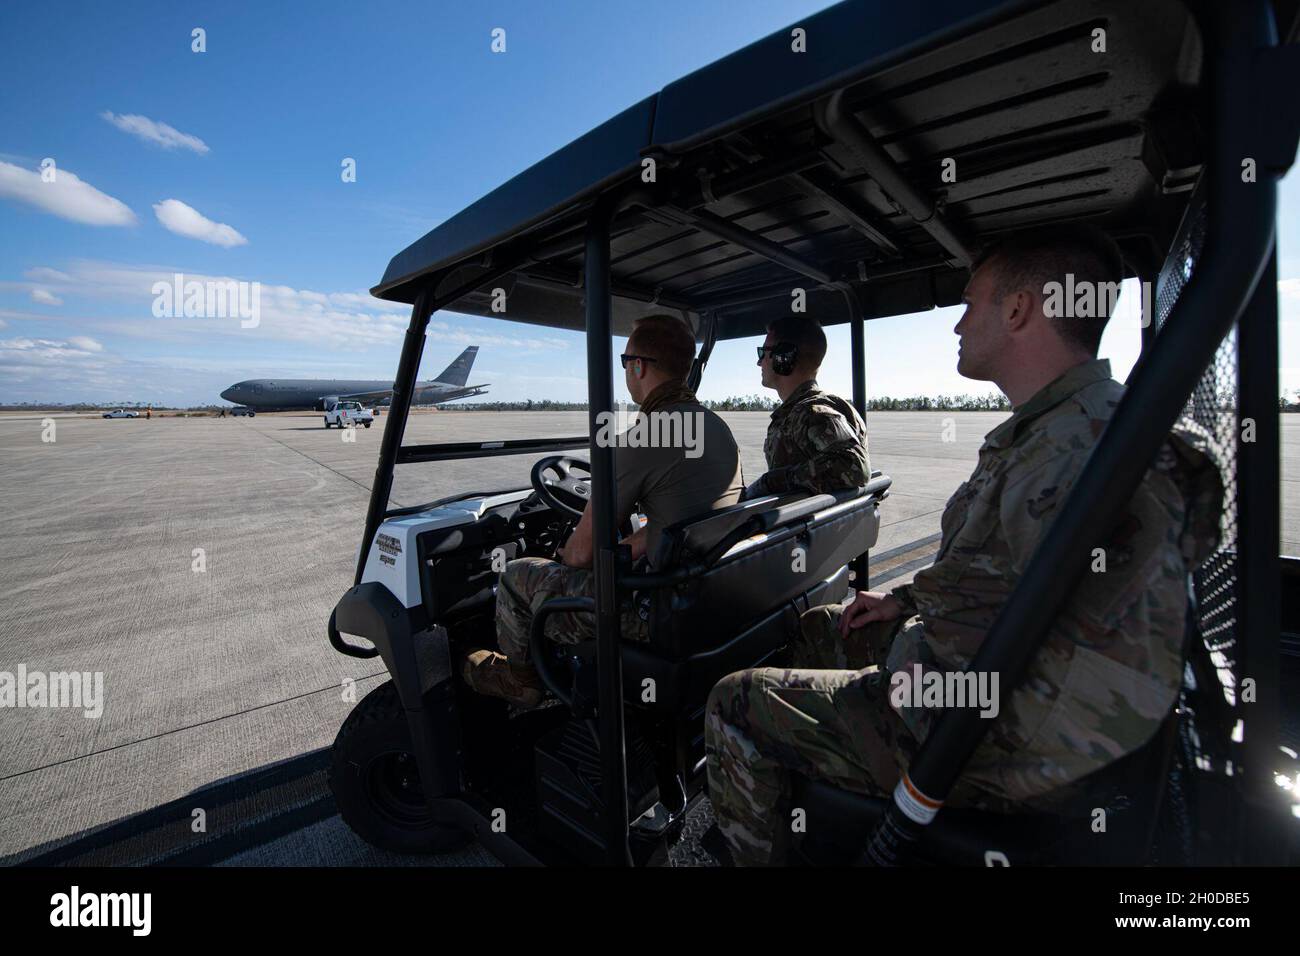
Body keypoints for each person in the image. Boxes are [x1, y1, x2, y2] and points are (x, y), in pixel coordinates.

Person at [705, 224, 1224, 866]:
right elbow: (1008, 578)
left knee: (733, 698)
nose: (957, 324)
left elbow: (1069, 664)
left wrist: (910, 684)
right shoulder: (1071, 429)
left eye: (970, 302)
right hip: (990, 691)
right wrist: (907, 599)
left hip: (997, 741)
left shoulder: (1072, 452)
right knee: (821, 625)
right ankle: (814, 802)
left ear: (1018, 310)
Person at [464, 314, 744, 708]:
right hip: (707, 593)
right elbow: (679, 520)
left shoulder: (647, 435)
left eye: (625, 361)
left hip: (654, 609)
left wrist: (558, 558)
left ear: (638, 365)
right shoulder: (716, 428)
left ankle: (524, 683)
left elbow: (579, 556)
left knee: (515, 578)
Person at [744, 316, 869, 499]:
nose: (759, 362)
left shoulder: (812, 413)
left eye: (763, 353)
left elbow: (854, 467)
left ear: (784, 357)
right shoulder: (801, 411)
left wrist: (770, 482)